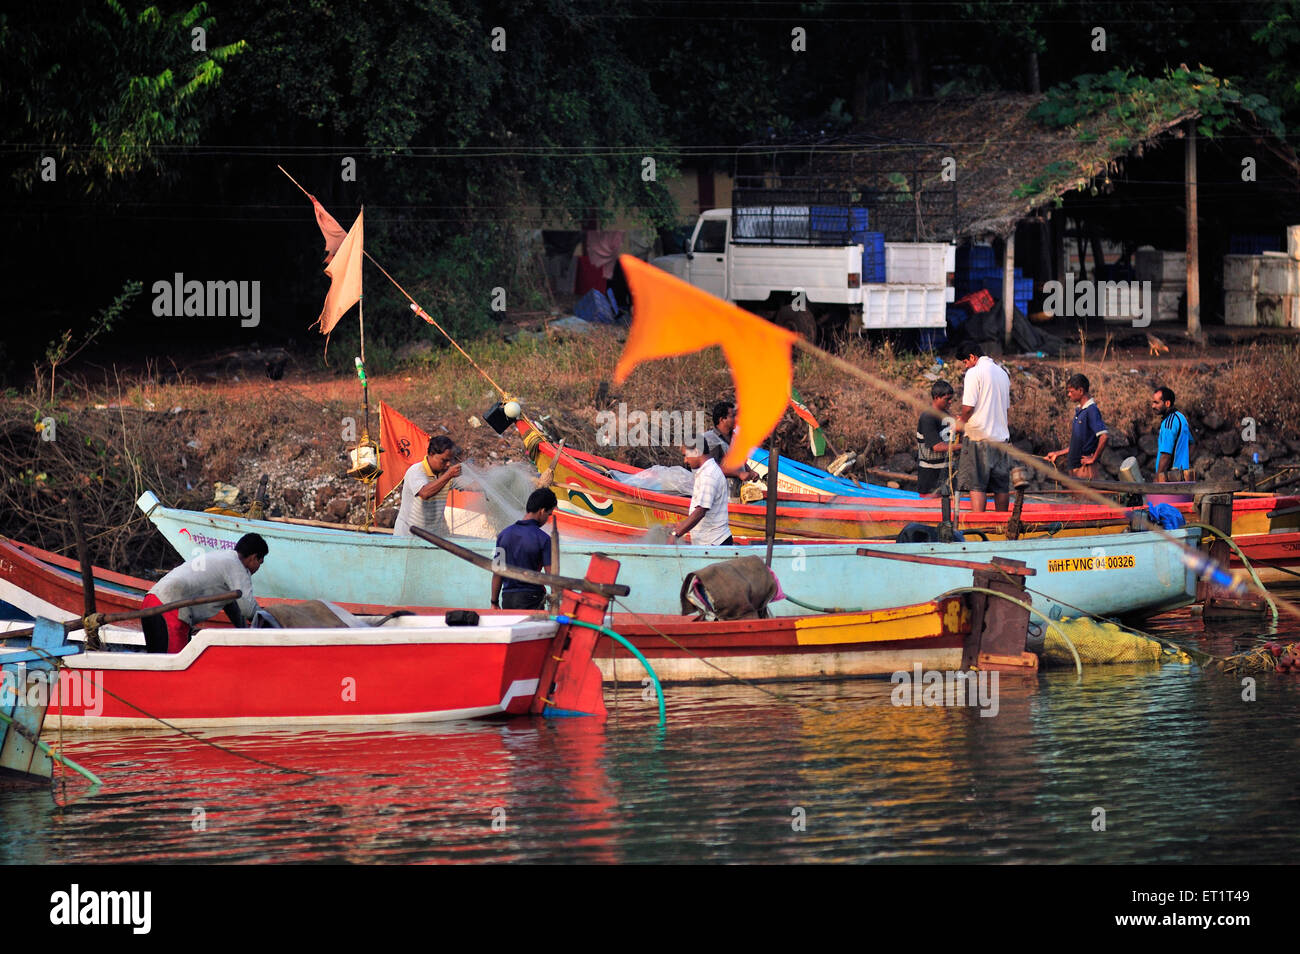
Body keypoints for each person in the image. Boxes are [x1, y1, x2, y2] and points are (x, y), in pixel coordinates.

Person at [142, 533, 267, 653]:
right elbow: (248, 610)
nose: (258, 568)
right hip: (170, 608)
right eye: (259, 563)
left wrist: (246, 634)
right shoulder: (237, 566)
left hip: (151, 600)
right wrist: (270, 621)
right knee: (173, 667)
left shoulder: (222, 558)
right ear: (253, 557)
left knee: (156, 661)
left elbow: (233, 606)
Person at [953, 342, 1012, 512]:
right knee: (1001, 487)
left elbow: (968, 408)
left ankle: (980, 526)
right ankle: (1001, 526)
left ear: (972, 357)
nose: (965, 366)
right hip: (1001, 439)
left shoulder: (974, 373)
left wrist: (960, 423)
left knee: (977, 485)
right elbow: (1004, 408)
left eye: (965, 362)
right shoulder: (1002, 373)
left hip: (979, 439)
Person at [491, 488, 557, 611]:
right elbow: (552, 577)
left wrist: (494, 602)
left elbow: (497, 572)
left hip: (508, 598)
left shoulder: (503, 535)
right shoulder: (543, 539)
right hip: (532, 598)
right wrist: (555, 605)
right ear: (542, 511)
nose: (548, 519)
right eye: (549, 514)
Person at [669, 435, 733, 546]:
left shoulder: (709, 475)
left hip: (714, 543)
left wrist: (676, 534)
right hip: (710, 542)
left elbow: (700, 511)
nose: (685, 460)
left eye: (686, 455)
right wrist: (681, 525)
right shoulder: (706, 471)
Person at [393, 435, 462, 537]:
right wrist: (449, 475)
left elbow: (472, 485)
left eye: (450, 461)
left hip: (429, 537)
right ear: (431, 454)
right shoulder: (416, 471)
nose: (448, 464)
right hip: (407, 537)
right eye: (444, 460)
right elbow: (425, 493)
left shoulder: (446, 473)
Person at [1045, 373, 1110, 480]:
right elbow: (1078, 444)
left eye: (1071, 391)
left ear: (1080, 390)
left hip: (1084, 469)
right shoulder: (1080, 411)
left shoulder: (1091, 410)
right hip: (1075, 469)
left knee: (1085, 497)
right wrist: (1057, 453)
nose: (1069, 395)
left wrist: (1093, 458)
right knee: (1076, 497)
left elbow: (1104, 436)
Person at [701, 401, 760, 497]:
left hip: (736, 492)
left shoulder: (736, 437)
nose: (736, 419)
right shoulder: (710, 439)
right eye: (732, 416)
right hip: (720, 495)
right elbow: (712, 467)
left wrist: (750, 471)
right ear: (722, 419)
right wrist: (739, 474)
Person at [916, 380, 960, 494]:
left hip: (947, 471)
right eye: (947, 399)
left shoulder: (947, 415)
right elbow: (937, 447)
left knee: (948, 504)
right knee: (929, 506)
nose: (950, 402)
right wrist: (962, 446)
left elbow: (955, 430)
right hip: (930, 473)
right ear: (936, 398)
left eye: (951, 399)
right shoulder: (927, 418)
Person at [1151, 385, 1193, 479]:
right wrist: (1183, 462)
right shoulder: (1181, 418)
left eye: (1156, 403)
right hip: (1182, 475)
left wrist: (1158, 478)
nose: (1153, 406)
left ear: (1167, 403)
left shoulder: (1168, 424)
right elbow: (1192, 443)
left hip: (1171, 478)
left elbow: (1166, 455)